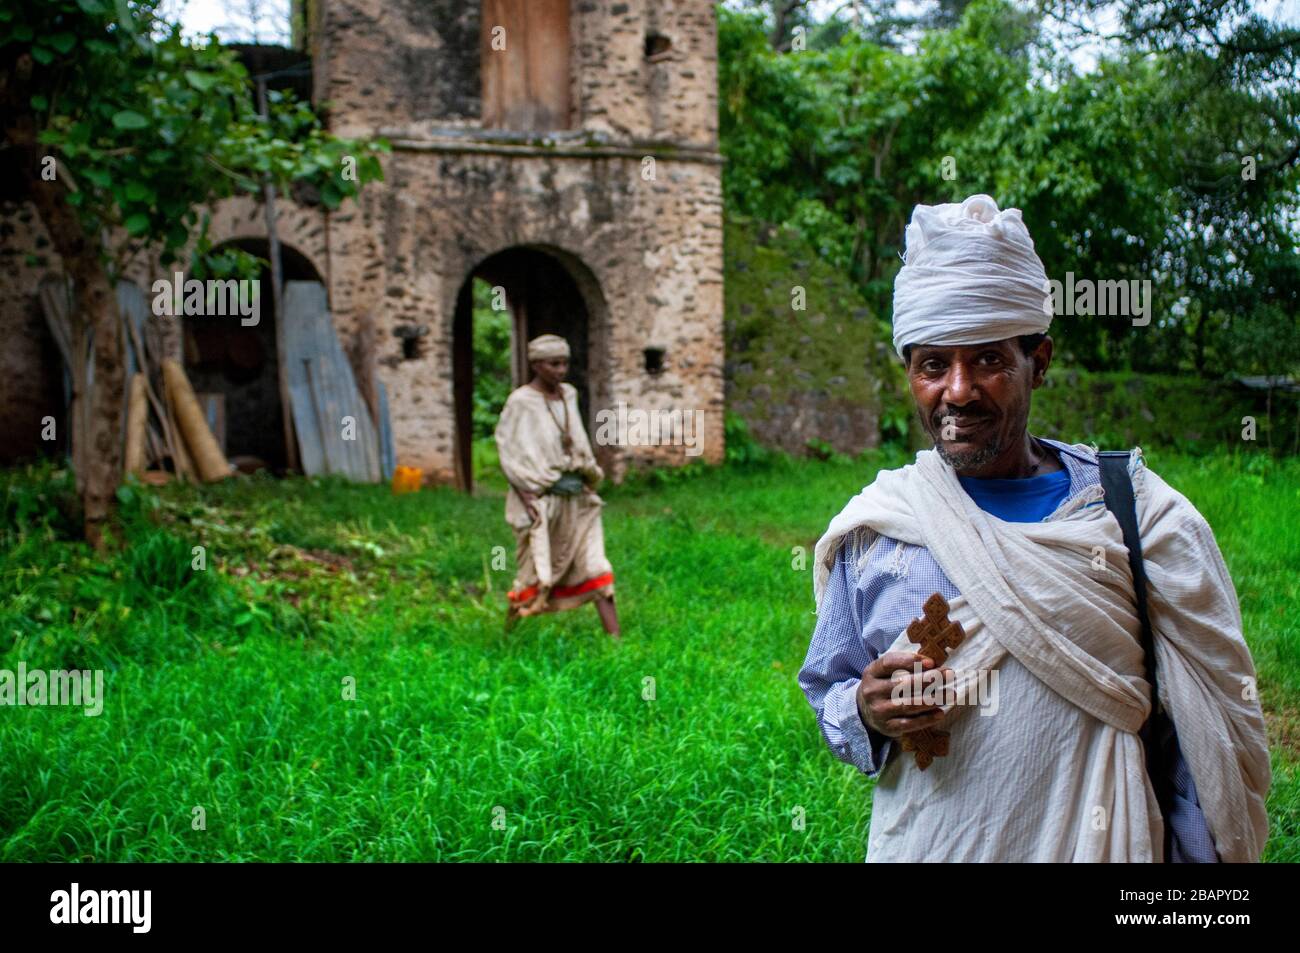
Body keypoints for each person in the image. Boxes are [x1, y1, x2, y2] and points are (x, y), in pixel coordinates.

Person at [798, 194, 1270, 862]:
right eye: (934, 364)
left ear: (1038, 362)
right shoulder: (880, 531)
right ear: (911, 372)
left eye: (988, 359)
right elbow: (831, 692)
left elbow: (1214, 736)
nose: (957, 390)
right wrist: (868, 711)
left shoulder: (1137, 518)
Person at [494, 334, 620, 638]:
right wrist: (526, 494)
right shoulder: (521, 402)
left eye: (564, 363)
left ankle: (617, 644)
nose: (561, 370)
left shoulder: (569, 395)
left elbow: (576, 441)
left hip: (577, 499)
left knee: (596, 566)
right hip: (541, 499)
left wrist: (586, 480)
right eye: (554, 364)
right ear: (537, 365)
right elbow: (508, 449)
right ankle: (507, 639)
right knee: (533, 573)